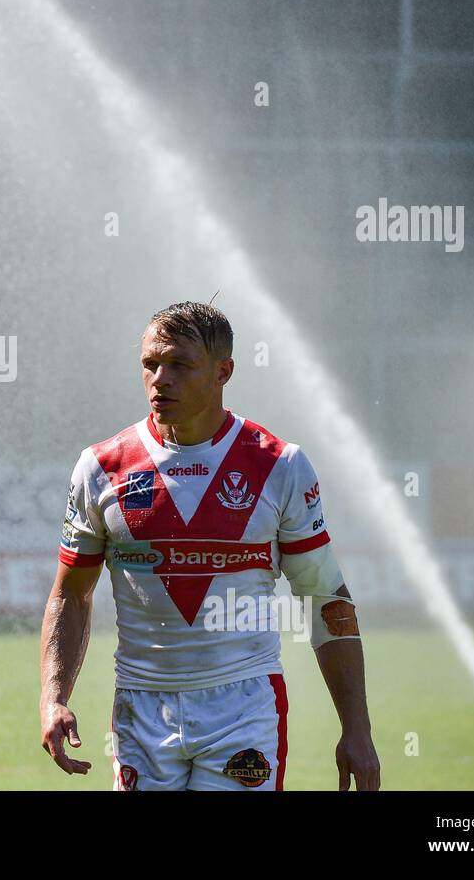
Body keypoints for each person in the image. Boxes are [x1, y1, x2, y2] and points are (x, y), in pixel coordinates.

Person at [38, 301, 380, 790]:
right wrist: (53, 697)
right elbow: (72, 593)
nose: (160, 378)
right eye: (150, 364)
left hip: (244, 709)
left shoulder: (280, 466)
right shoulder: (100, 467)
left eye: (179, 364)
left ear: (224, 372)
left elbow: (326, 598)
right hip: (141, 708)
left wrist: (357, 729)